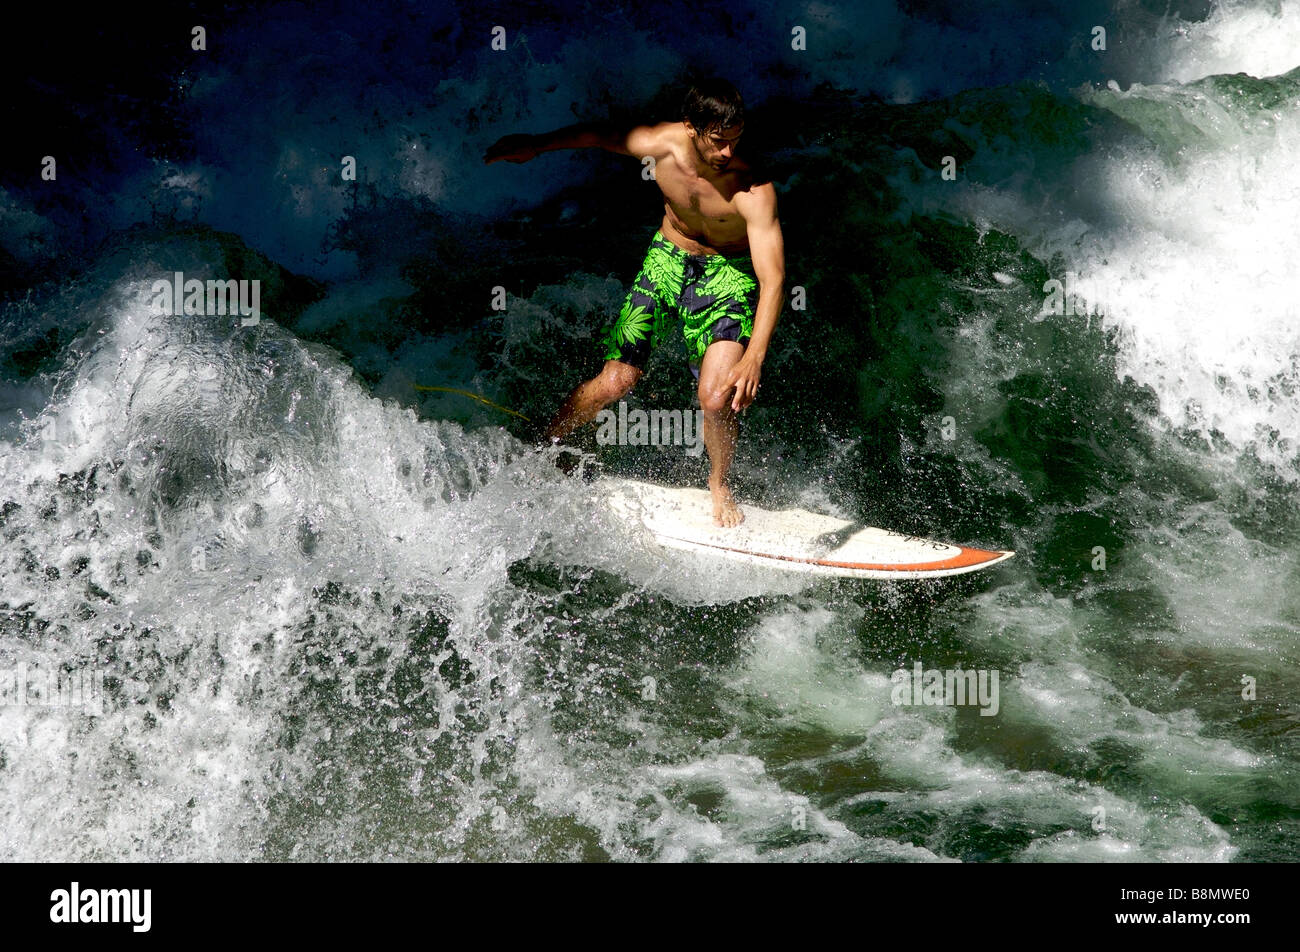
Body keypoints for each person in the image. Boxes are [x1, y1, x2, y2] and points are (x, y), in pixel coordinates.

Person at [484, 79, 784, 527]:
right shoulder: (661, 145)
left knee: (716, 397)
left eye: (735, 141)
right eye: (718, 142)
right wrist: (535, 145)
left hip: (727, 277)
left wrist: (755, 355)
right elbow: (599, 135)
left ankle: (719, 484)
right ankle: (544, 444)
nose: (727, 152)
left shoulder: (752, 190)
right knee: (614, 382)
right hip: (664, 263)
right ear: (691, 127)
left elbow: (773, 278)